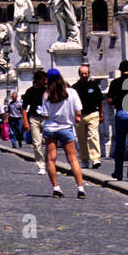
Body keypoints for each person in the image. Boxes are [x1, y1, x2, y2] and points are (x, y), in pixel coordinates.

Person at [39, 68, 86, 198]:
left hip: (51, 129)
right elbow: (78, 112)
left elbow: (45, 115)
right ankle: (80, 189)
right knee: (72, 159)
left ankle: (56, 188)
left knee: (50, 159)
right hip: (66, 128)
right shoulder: (71, 92)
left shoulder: (46, 94)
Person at [72, 64, 105, 170]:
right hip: (79, 116)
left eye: (86, 73)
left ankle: (95, 159)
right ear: (79, 74)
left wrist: (101, 114)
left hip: (93, 114)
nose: (84, 75)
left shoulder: (94, 86)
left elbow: (100, 101)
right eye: (82, 74)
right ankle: (84, 160)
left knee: (93, 136)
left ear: (89, 74)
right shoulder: (75, 87)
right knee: (81, 139)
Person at [21, 70, 48, 174]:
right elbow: (24, 108)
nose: (46, 81)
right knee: (37, 143)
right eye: (44, 79)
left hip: (46, 118)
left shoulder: (47, 91)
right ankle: (41, 165)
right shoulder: (30, 91)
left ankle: (49, 161)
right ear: (38, 80)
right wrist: (26, 122)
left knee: (49, 142)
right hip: (34, 118)